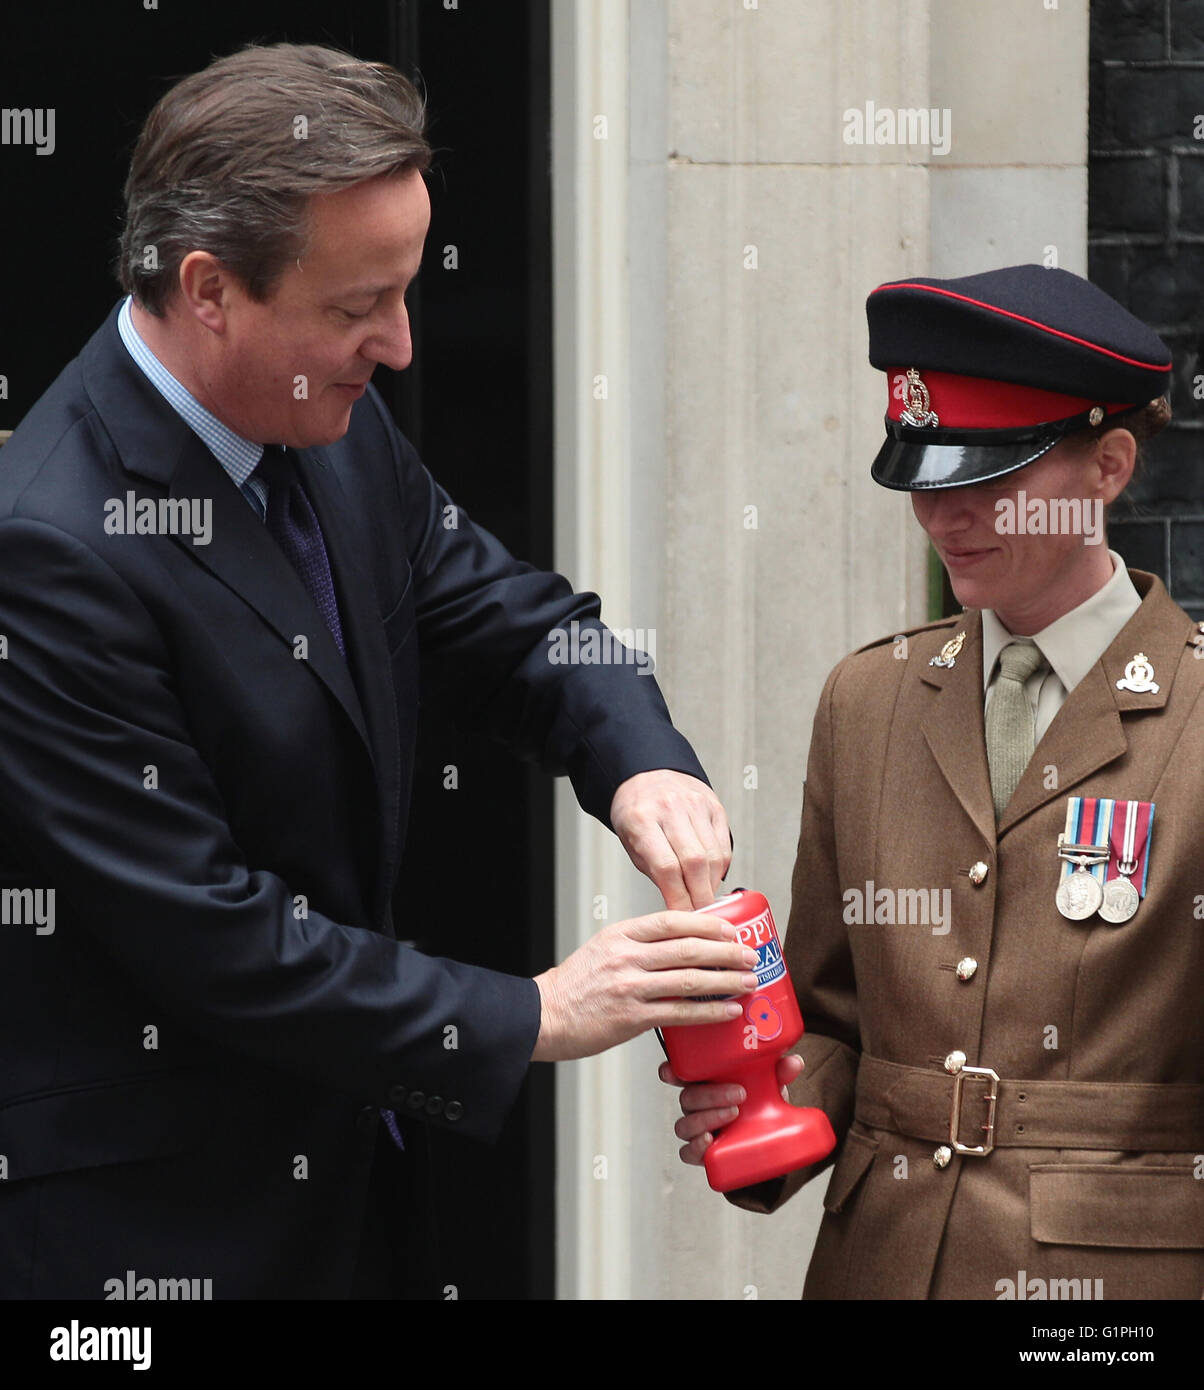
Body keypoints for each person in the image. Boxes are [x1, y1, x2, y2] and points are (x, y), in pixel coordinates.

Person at [0, 43, 757, 1300]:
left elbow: (520, 624)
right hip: (149, 1234)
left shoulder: (330, 433)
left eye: (404, 292)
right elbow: (207, 931)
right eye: (359, 306)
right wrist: (535, 1014)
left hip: (354, 1188)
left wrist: (640, 763)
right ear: (208, 290)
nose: (400, 345)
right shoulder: (47, 544)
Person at [663, 264, 1204, 1299]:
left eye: (992, 478)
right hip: (882, 1262)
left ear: (1110, 466)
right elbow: (830, 1015)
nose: (947, 515)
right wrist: (770, 1099)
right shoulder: (866, 699)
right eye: (927, 478)